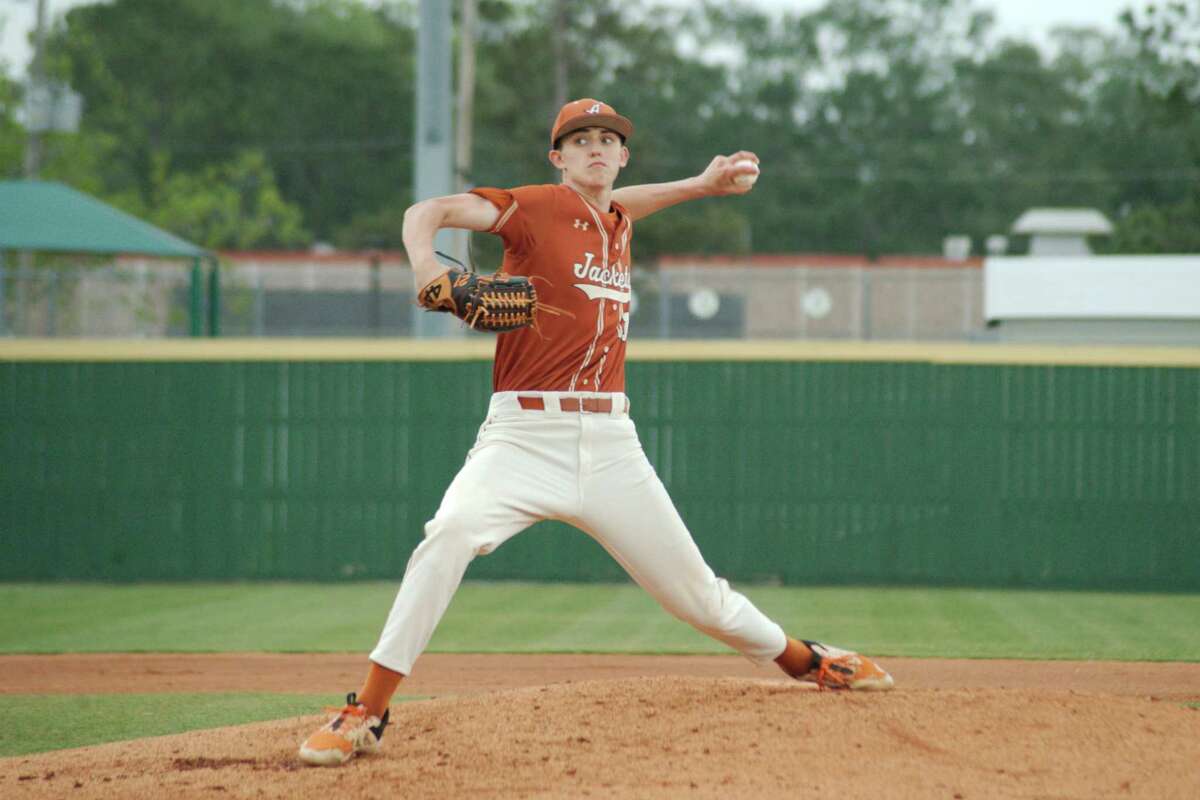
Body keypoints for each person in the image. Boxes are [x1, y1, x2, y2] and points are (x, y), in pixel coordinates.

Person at [298, 98, 893, 767]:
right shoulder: (535, 206)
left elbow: (622, 204)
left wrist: (701, 185)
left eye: (608, 139)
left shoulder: (614, 220)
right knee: (451, 535)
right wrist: (424, 265)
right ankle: (366, 712)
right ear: (558, 158)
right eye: (580, 140)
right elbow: (424, 213)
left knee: (698, 597)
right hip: (521, 437)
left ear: (623, 155)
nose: (596, 149)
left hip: (611, 444)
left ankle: (808, 660)